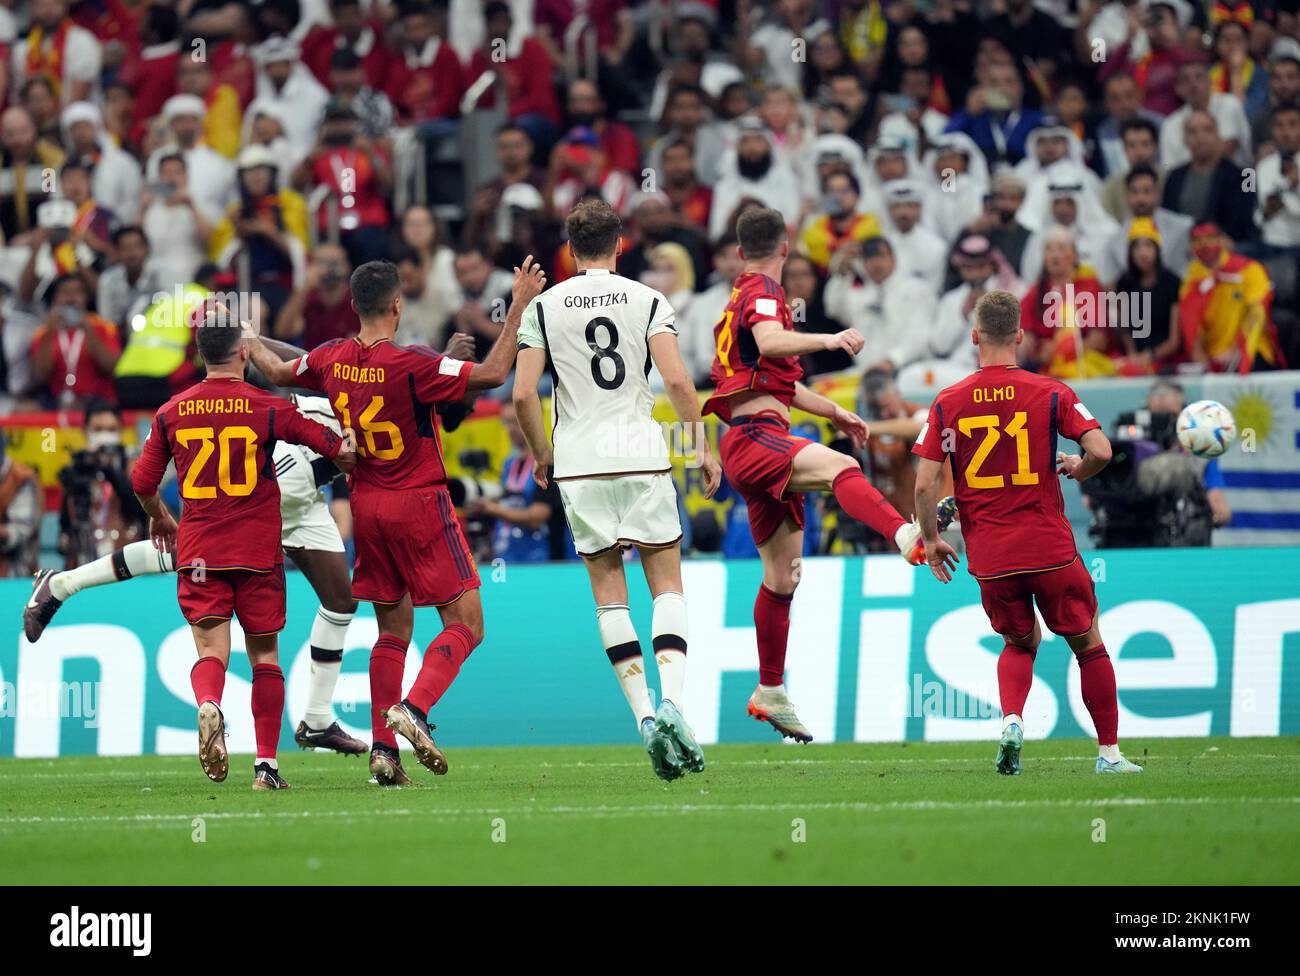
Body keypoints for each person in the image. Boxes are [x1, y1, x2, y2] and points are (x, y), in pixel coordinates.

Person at [248, 257, 546, 784]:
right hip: (420, 504)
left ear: (354, 305)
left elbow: (273, 372)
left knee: (392, 631)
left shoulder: (332, 358)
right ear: (397, 304)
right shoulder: (412, 364)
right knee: (466, 625)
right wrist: (519, 305)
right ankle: (415, 709)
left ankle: (384, 754)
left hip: (367, 506)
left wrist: (246, 337)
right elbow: (495, 374)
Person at [512, 198, 721, 781]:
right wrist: (702, 446)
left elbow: (524, 395)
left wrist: (541, 452)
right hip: (642, 456)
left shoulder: (544, 307)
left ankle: (645, 719)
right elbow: (678, 378)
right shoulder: (648, 299)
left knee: (610, 598)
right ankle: (676, 701)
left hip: (580, 463)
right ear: (621, 244)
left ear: (570, 250)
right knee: (668, 588)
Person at [703, 207, 927, 743]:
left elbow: (778, 382)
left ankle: (771, 691)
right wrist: (830, 340)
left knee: (784, 577)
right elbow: (775, 342)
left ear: (739, 250)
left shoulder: (738, 298)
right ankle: (904, 532)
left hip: (754, 437)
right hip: (757, 438)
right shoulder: (761, 288)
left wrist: (835, 412)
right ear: (786, 248)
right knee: (840, 467)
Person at [913, 289, 1142, 776]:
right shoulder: (1051, 392)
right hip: (1049, 548)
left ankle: (1013, 722)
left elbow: (924, 482)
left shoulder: (948, 402)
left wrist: (933, 538)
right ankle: (1109, 755)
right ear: (1019, 335)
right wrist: (1079, 469)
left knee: (1019, 643)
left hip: (991, 557)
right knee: (1088, 644)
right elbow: (1101, 450)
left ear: (975, 336)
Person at [127, 309, 357, 790]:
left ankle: (210, 704)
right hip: (256, 551)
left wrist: (160, 515)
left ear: (199, 355)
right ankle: (267, 768)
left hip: (199, 551)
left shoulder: (172, 411)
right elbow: (329, 445)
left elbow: (143, 481)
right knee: (265, 657)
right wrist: (349, 446)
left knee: (212, 650)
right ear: (245, 352)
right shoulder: (265, 406)